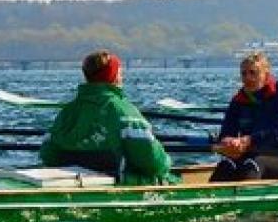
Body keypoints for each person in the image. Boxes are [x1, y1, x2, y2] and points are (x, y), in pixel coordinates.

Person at [39, 50, 177, 185]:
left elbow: (48, 155)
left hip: (74, 182)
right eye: (120, 74)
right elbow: (153, 163)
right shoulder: (125, 112)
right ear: (114, 77)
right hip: (118, 183)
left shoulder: (67, 112)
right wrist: (167, 163)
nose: (122, 78)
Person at [210, 52, 278, 182]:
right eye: (244, 74)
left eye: (253, 73)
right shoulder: (238, 101)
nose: (248, 78)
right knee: (227, 165)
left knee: (254, 163)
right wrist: (227, 142)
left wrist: (247, 140)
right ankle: (207, 200)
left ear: (266, 75)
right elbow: (226, 132)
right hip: (254, 156)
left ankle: (244, 200)